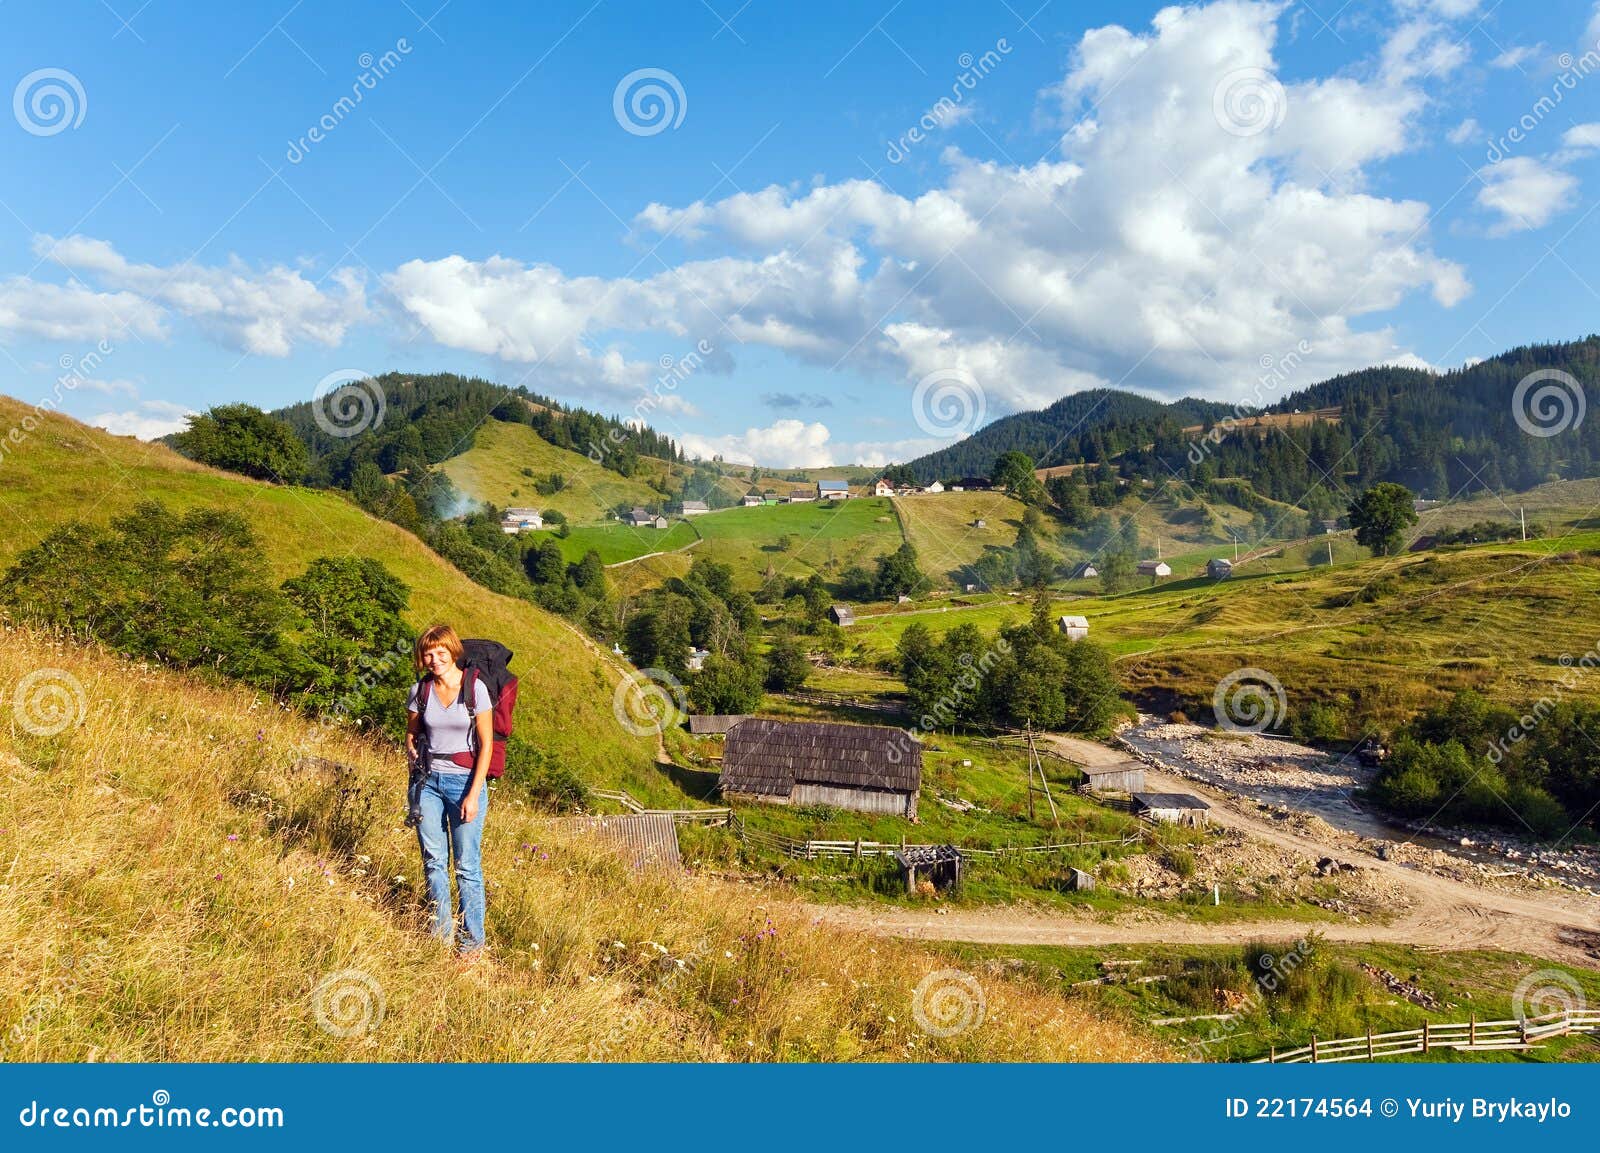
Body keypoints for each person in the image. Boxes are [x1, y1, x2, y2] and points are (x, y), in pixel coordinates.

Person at [406, 624, 494, 959]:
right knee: (433, 862)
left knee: (467, 866)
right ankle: (439, 937)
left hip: (464, 783)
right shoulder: (420, 691)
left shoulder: (476, 689)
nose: (433, 659)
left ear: (453, 651)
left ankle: (471, 946)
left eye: (440, 652)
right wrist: (412, 755)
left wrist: (473, 795)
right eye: (427, 653)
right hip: (426, 783)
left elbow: (486, 746)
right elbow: (411, 733)